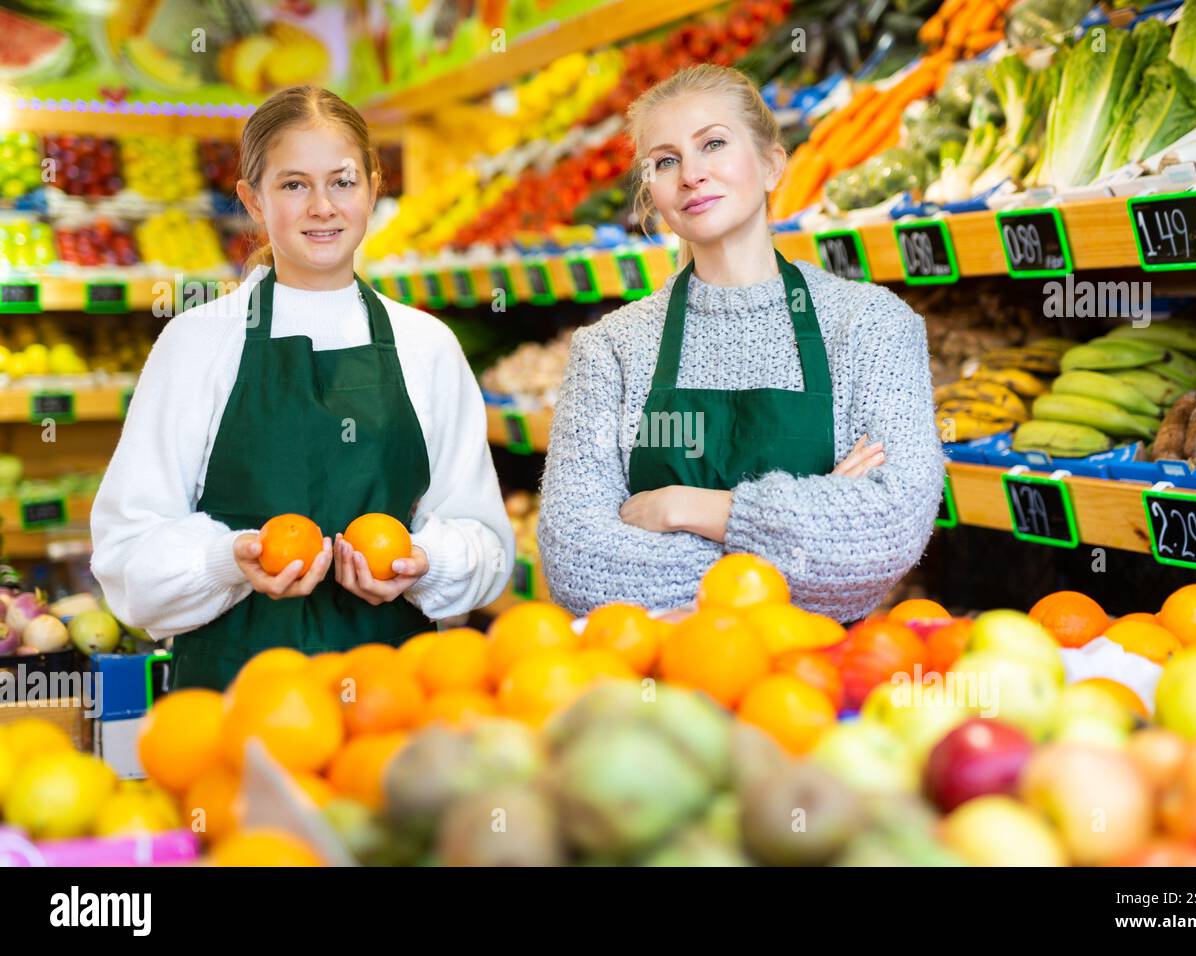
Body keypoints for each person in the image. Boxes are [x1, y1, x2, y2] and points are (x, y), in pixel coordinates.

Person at [91, 86, 512, 689]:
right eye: (293, 185)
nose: (322, 207)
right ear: (253, 200)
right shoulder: (196, 343)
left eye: (342, 182)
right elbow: (125, 557)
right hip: (231, 702)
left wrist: (425, 565)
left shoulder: (428, 347)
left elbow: (486, 547)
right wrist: (224, 560)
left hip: (390, 703)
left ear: (373, 187)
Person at [538, 65, 943, 622]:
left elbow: (885, 535)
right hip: (657, 683)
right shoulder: (610, 350)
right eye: (666, 161)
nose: (691, 175)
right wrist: (814, 526)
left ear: (773, 164)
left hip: (815, 682)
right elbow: (576, 564)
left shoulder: (869, 326)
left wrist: (688, 507)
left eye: (714, 144)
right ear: (651, 193)